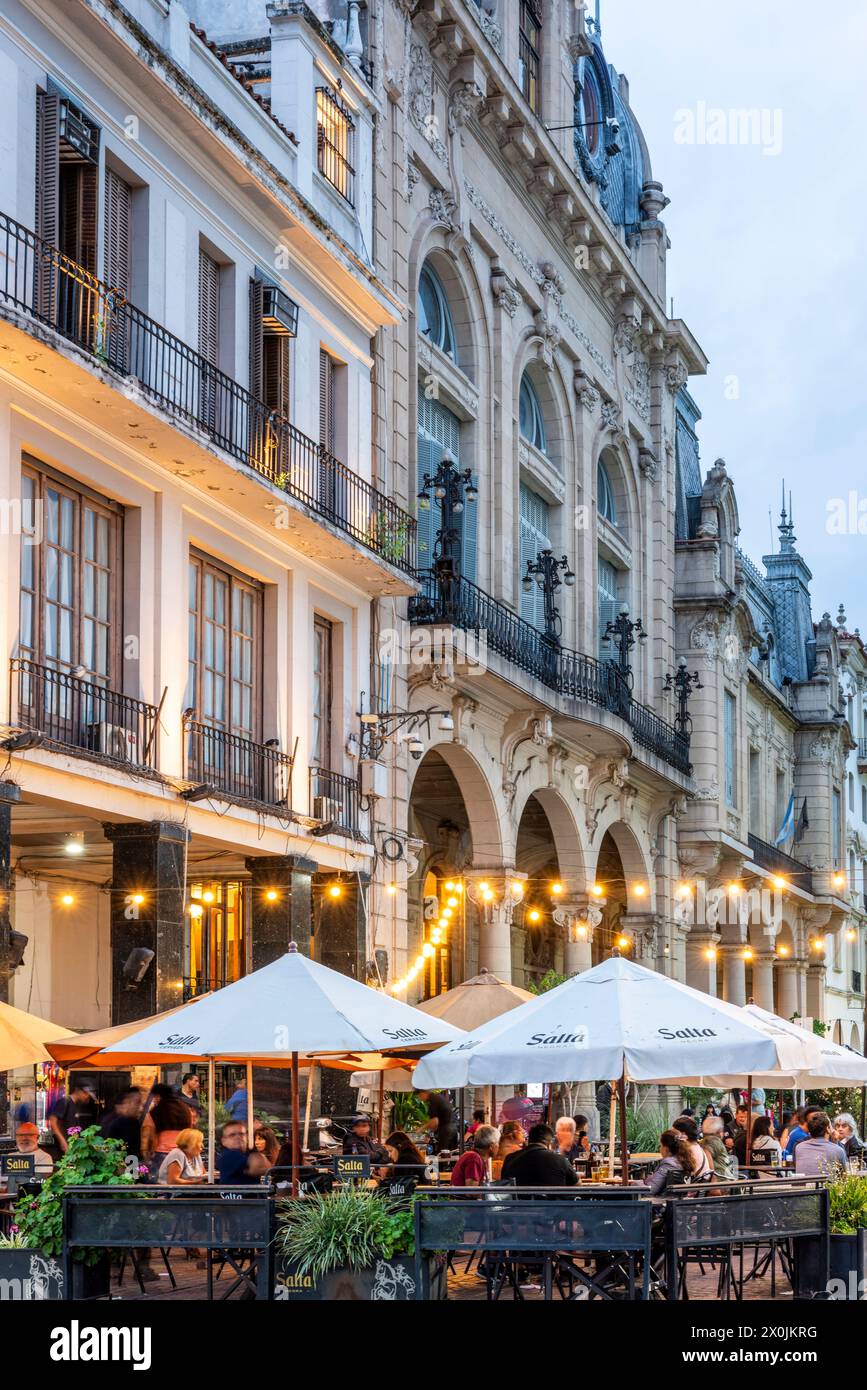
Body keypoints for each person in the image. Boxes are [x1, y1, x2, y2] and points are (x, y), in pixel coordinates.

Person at [500, 1123, 579, 1188]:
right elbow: (577, 1185)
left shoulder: (510, 1158)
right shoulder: (560, 1159)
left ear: (530, 1140)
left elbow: (503, 1183)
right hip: (553, 1206)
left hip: (518, 1206)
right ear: (549, 1143)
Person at [141, 1084, 194, 1174]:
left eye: (154, 1097)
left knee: (160, 1183)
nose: (153, 1099)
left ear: (158, 1096)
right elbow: (191, 1130)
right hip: (183, 1152)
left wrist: (146, 1153)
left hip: (163, 1152)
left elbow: (149, 1134)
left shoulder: (156, 1111)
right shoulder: (186, 1109)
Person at [793, 1111, 848, 1177]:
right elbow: (844, 1175)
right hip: (826, 1187)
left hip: (803, 1187)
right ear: (828, 1129)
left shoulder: (799, 1147)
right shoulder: (838, 1150)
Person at [643, 1130, 698, 1196]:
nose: (659, 1149)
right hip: (679, 1202)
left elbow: (651, 1190)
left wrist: (635, 1184)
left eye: (661, 1145)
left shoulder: (669, 1164)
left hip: (662, 1203)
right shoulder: (685, 1161)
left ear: (666, 1148)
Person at [48, 1082, 98, 1153]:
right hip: (63, 1147)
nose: (87, 1097)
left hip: (71, 1146)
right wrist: (62, 1141)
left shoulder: (77, 1105)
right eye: (86, 1094)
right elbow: (53, 1121)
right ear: (79, 1091)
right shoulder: (65, 1102)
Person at [100, 1088, 144, 1161]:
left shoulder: (134, 1122)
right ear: (126, 1103)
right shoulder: (110, 1122)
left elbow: (134, 1152)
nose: (141, 1109)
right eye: (137, 1103)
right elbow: (106, 1151)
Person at [701, 1115, 734, 1179]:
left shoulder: (707, 1140)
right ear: (718, 1130)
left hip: (721, 1178)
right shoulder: (712, 1141)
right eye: (722, 1128)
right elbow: (711, 1170)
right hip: (721, 1180)